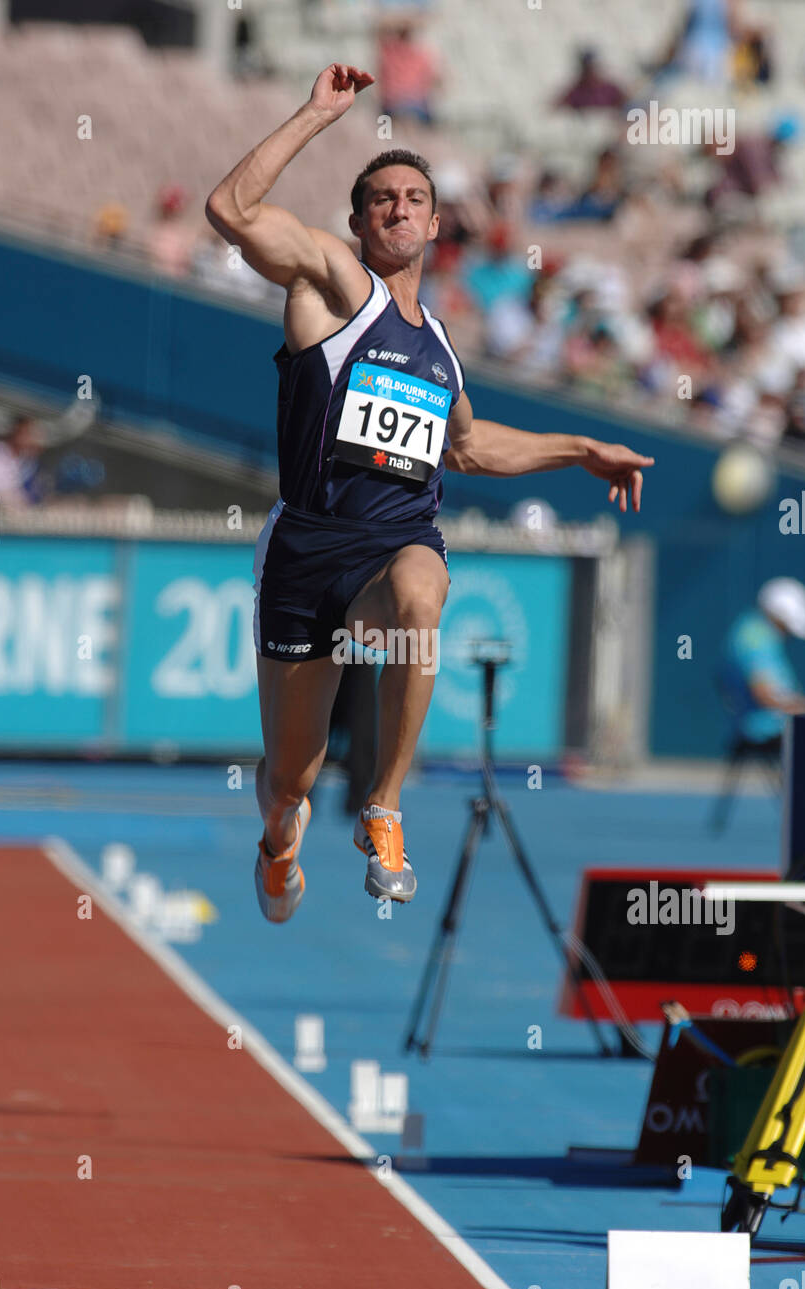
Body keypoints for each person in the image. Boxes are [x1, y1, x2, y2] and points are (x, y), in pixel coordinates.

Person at [205, 63, 653, 922]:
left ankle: (383, 807)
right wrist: (315, 114)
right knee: (288, 777)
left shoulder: (442, 350)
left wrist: (581, 449)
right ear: (358, 221)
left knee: (422, 590)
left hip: (390, 551)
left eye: (414, 197)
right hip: (306, 550)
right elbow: (231, 212)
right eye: (382, 198)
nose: (399, 208)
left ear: (437, 223)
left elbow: (469, 446)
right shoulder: (333, 287)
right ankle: (278, 837)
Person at [719, 578, 805, 753]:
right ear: (777, 616)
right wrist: (804, 709)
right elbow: (764, 694)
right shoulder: (755, 640)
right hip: (766, 729)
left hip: (775, 725)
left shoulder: (757, 634)